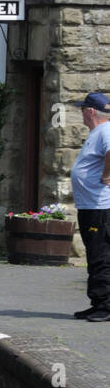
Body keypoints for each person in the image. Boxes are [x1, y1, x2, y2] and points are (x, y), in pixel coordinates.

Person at [72, 92, 110, 321]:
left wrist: (107, 174)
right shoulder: (98, 132)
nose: (81, 113)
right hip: (90, 207)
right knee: (95, 255)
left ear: (91, 111)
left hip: (99, 208)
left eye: (83, 109)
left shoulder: (105, 130)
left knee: (101, 256)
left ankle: (106, 306)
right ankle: (98, 303)